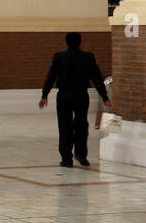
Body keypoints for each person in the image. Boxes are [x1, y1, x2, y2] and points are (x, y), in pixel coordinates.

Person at [40, 32, 110, 167]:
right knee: (81, 124)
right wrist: (104, 96)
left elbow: (50, 78)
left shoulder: (59, 58)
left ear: (66, 42)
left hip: (64, 95)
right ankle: (81, 153)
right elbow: (97, 78)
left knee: (65, 126)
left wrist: (45, 95)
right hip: (81, 95)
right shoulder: (88, 58)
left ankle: (66, 158)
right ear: (80, 42)